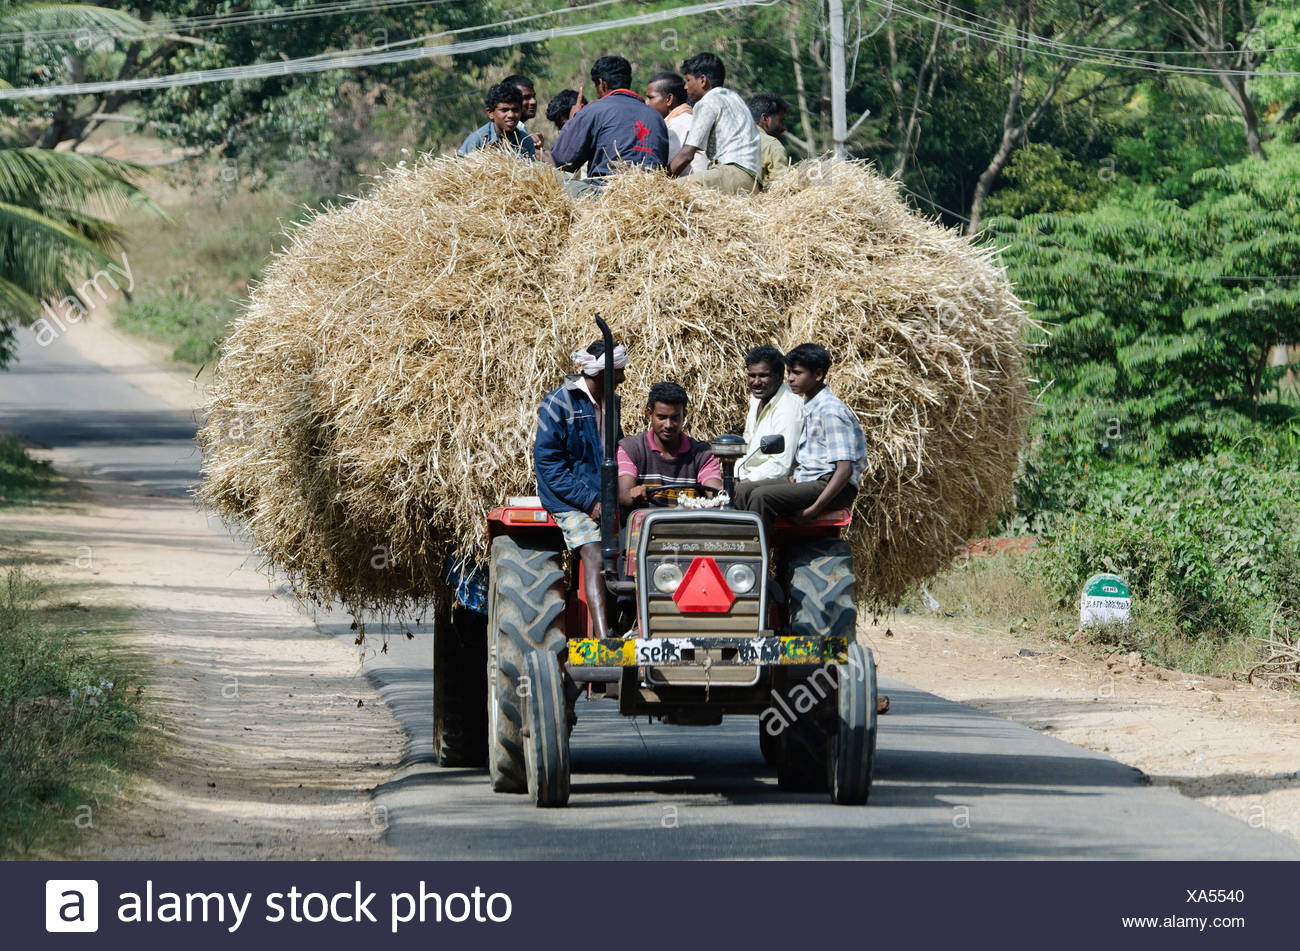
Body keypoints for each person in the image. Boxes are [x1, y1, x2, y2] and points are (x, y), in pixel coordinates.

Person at [534, 340, 628, 639]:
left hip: (605, 496)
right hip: (570, 500)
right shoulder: (557, 403)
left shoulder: (612, 402)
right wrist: (589, 502)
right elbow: (548, 464)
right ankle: (603, 638)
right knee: (594, 551)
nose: (625, 378)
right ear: (602, 374)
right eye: (620, 372)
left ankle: (632, 626)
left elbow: (616, 450)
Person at [735, 344, 866, 531]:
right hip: (811, 479)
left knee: (761, 496)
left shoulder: (830, 410)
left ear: (818, 375)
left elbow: (844, 471)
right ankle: (735, 548)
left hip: (832, 485)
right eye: (789, 372)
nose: (790, 378)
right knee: (742, 490)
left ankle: (754, 555)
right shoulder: (811, 404)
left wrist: (813, 510)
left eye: (797, 373)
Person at [550, 55, 669, 195]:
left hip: (606, 196)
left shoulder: (593, 110)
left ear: (602, 84)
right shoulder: (656, 117)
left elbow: (561, 161)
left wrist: (573, 121)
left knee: (550, 177)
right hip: (651, 196)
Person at [617, 381, 722, 509]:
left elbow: (714, 488)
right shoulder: (631, 448)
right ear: (649, 414)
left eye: (675, 418)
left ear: (684, 415)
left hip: (688, 526)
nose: (668, 425)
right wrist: (634, 494)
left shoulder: (702, 454)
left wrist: (721, 494)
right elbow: (623, 494)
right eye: (661, 417)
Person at [667, 52, 761, 194]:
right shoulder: (734, 97)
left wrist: (661, 180)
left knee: (672, 191)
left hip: (732, 174)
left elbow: (687, 154)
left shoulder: (708, 101)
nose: (685, 87)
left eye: (688, 80)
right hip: (752, 180)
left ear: (703, 80)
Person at [737, 345, 802, 483]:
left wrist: (744, 482)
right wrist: (733, 476)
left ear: (779, 376)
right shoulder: (756, 400)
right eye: (752, 375)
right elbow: (746, 446)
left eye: (763, 376)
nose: (756, 382)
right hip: (746, 477)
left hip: (773, 482)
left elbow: (781, 465)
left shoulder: (788, 407)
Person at [646, 71, 707, 175]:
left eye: (651, 98)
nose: (646, 103)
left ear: (669, 99)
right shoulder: (686, 119)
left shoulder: (679, 123)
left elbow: (665, 164)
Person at [457, 82, 537, 160]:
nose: (511, 115)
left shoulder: (525, 141)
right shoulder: (477, 141)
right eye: (504, 110)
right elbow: (459, 167)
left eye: (515, 110)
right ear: (490, 113)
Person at [748, 92, 791, 186]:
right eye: (781, 121)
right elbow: (781, 188)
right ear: (765, 118)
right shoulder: (772, 146)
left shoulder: (731, 140)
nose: (784, 128)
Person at [503, 73, 541, 149]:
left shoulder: (521, 129)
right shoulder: (507, 130)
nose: (533, 102)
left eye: (534, 96)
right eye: (526, 98)